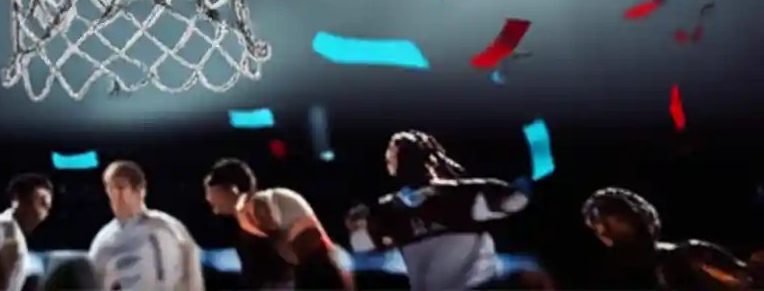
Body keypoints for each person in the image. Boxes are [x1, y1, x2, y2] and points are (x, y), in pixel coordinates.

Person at [365, 130, 529, 290]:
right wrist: (525, 183)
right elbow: (516, 199)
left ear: (393, 166)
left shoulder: (388, 210)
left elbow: (361, 244)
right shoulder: (466, 193)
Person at [203, 158, 353, 289]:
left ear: (232, 190)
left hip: (317, 275)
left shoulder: (259, 207)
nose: (214, 208)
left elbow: (287, 263)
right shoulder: (249, 215)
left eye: (213, 195)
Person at [582, 187, 752, 290]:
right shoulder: (608, 278)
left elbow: (746, 281)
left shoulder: (690, 255)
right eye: (596, 225)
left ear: (638, 216)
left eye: (612, 219)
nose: (603, 231)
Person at [88, 160, 204, 291]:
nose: (116, 195)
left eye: (121, 188)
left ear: (140, 190)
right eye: (110, 188)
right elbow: (95, 281)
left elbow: (192, 266)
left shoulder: (170, 226)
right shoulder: (105, 239)